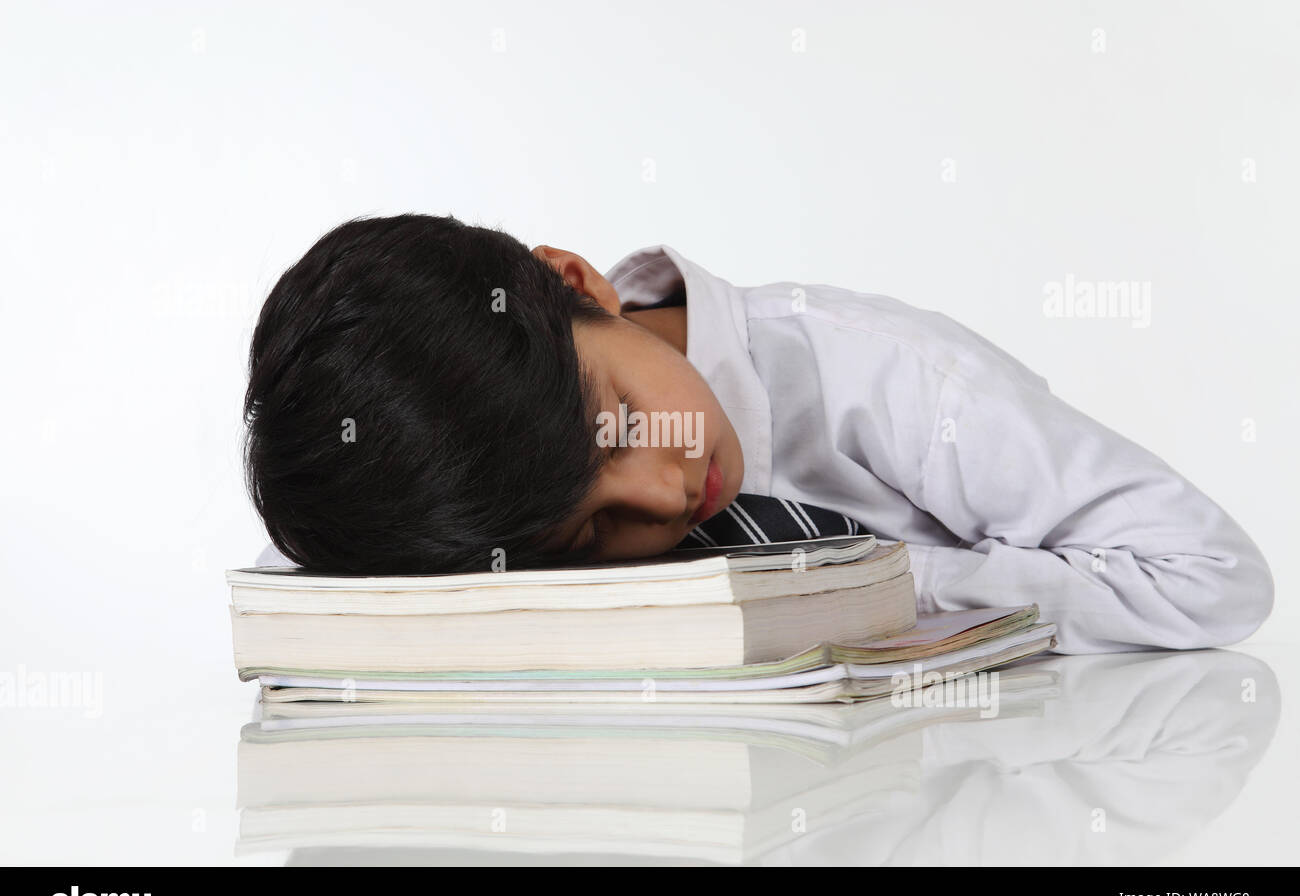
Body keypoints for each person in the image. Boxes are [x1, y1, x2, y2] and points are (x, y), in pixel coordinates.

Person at [244, 213, 1273, 653]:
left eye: (620, 425)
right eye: (590, 536)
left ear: (574, 284)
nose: (659, 493)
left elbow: (1210, 574)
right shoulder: (484, 510)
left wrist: (874, 587)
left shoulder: (882, 377)